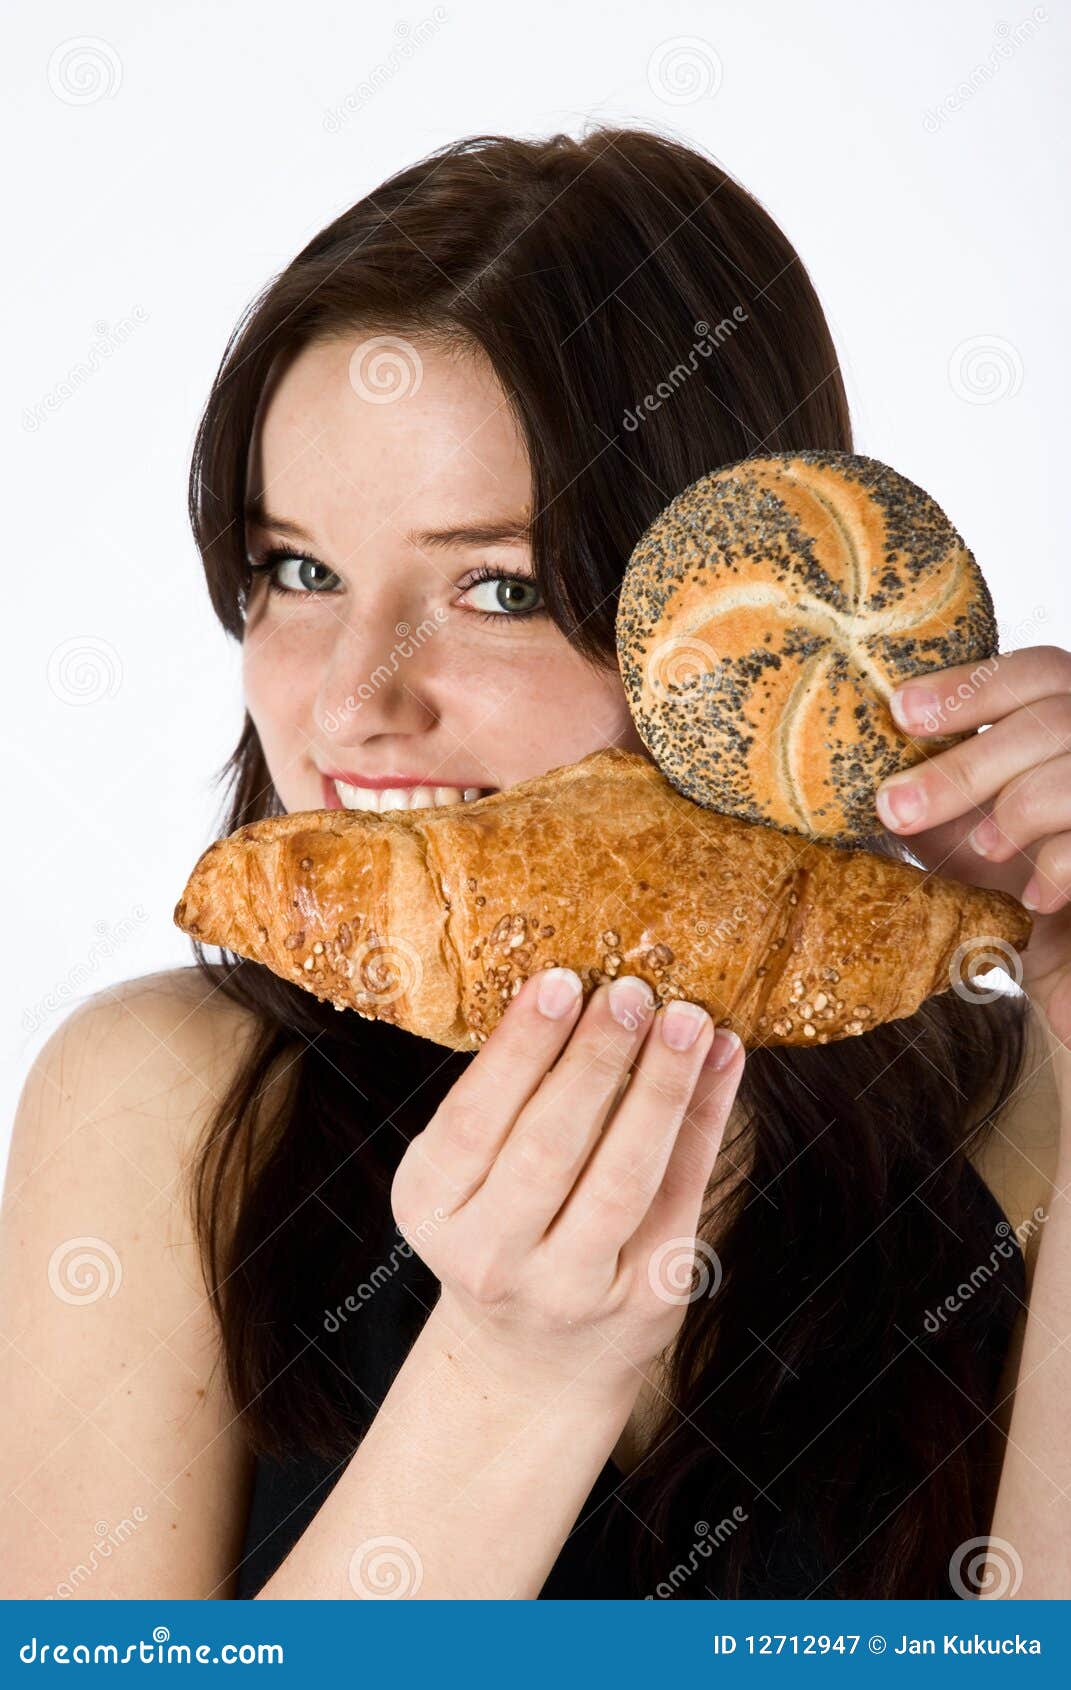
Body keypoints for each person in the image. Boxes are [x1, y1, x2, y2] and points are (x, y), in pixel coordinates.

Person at [3, 127, 1068, 1602]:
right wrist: (513, 1377)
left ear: (756, 630)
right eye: (297, 570)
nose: (350, 702)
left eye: (498, 588)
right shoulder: (157, 1107)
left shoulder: (1028, 1120)